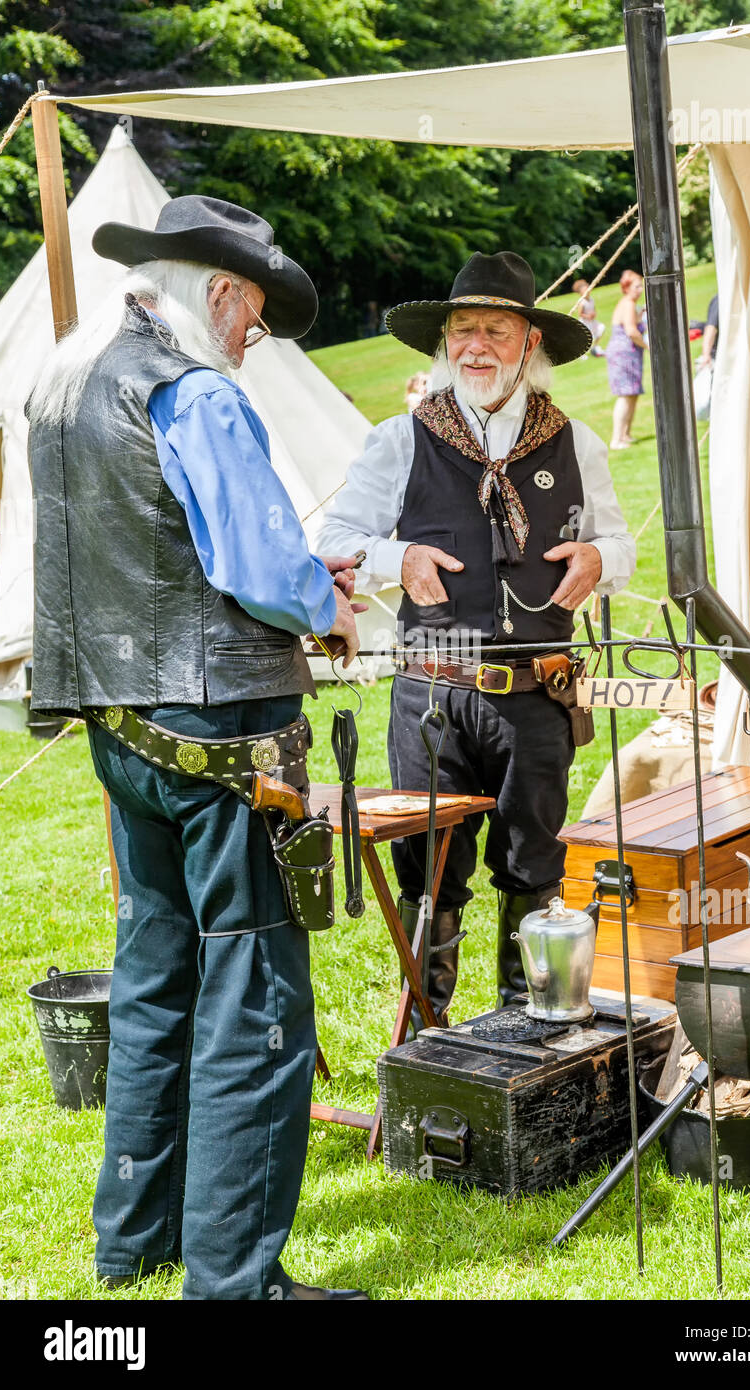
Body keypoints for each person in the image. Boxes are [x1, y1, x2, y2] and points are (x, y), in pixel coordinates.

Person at [25, 195, 369, 1301]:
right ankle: (232, 1282)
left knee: (157, 971)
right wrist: (325, 602)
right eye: (254, 318)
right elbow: (256, 568)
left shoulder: (63, 379)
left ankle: (136, 1244)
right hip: (221, 729)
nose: (250, 339)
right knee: (254, 989)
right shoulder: (196, 389)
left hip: (122, 730)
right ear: (219, 293)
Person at [316, 251, 635, 1029]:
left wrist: (599, 558)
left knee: (534, 869)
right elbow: (336, 538)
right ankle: (431, 1039)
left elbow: (619, 544)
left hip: (538, 696)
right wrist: (400, 557)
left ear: (531, 344)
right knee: (430, 876)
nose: (476, 347)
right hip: (433, 696)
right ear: (443, 345)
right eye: (463, 331)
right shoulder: (402, 438)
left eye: (496, 330)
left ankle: (526, 1032)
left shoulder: (578, 444)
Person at [605, 269, 647, 448]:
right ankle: (617, 439)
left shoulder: (631, 304)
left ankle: (626, 435)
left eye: (641, 286)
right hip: (624, 353)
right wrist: (649, 346)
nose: (640, 290)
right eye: (636, 286)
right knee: (625, 394)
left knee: (632, 394)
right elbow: (631, 331)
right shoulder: (628, 303)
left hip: (629, 353)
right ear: (627, 288)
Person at [572, 279, 606, 357]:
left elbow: (594, 309)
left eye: (587, 289)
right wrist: (588, 316)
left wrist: (594, 314)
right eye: (584, 291)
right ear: (581, 293)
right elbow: (580, 314)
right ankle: (582, 353)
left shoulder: (591, 299)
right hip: (585, 322)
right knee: (588, 338)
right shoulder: (582, 302)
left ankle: (595, 346)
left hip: (592, 321)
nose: (587, 292)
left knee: (601, 328)